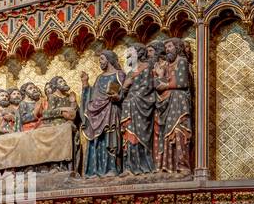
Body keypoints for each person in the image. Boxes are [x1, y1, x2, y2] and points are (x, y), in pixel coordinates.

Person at [80, 50, 124, 177]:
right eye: (99, 60)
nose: (100, 62)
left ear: (109, 60)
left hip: (111, 109)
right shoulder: (99, 77)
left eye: (102, 59)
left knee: (110, 138)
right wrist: (85, 83)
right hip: (97, 113)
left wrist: (117, 96)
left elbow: (124, 92)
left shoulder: (119, 74)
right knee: (97, 140)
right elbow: (92, 95)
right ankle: (96, 170)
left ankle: (112, 168)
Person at [154, 38, 194, 173]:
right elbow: (158, 86)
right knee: (166, 134)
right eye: (166, 48)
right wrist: (160, 76)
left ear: (177, 47)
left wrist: (165, 85)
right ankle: (169, 167)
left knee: (179, 131)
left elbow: (182, 83)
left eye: (170, 46)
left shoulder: (181, 61)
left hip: (179, 101)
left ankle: (183, 166)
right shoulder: (166, 66)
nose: (167, 50)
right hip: (168, 103)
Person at [120, 43, 157, 174]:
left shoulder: (147, 67)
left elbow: (147, 87)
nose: (128, 56)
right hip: (129, 108)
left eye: (130, 54)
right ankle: (129, 166)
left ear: (139, 54)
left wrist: (131, 100)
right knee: (128, 137)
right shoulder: (129, 73)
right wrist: (124, 87)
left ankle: (142, 167)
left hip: (140, 107)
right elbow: (122, 92)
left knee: (139, 137)